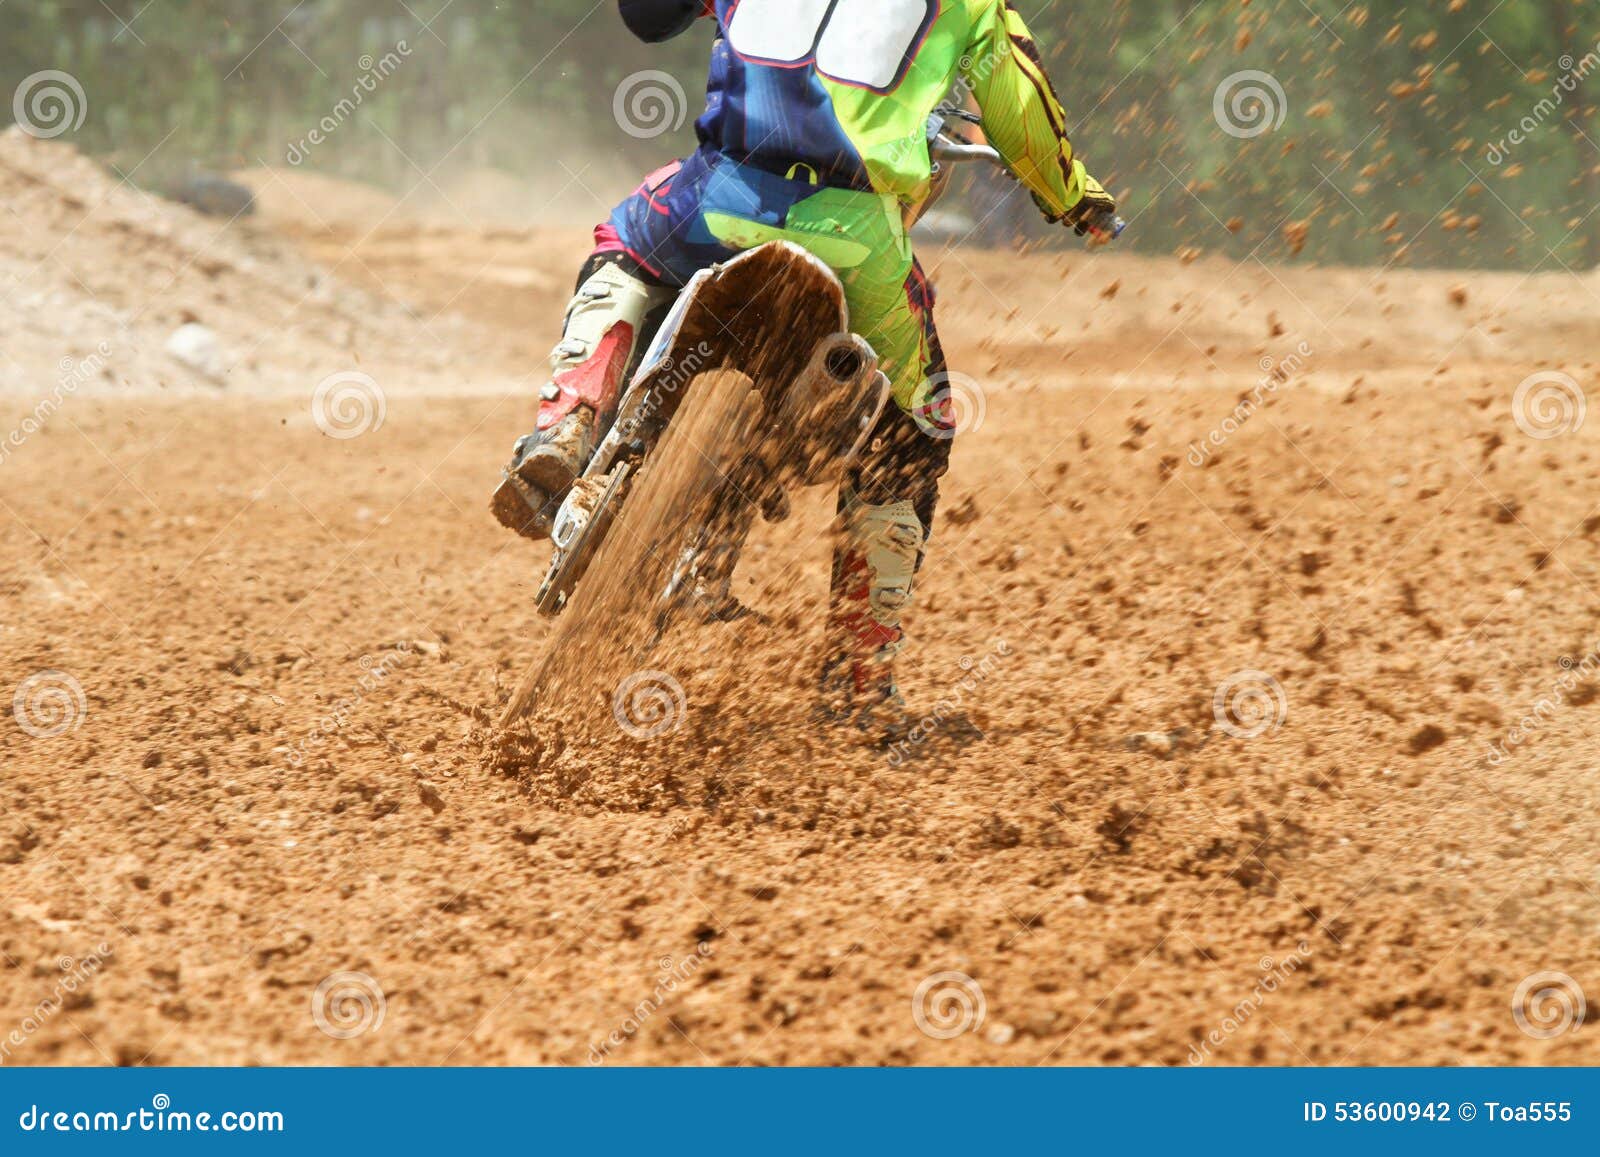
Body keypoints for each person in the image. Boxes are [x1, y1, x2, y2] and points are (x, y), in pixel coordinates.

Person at [492, 0, 1119, 734]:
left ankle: (564, 426)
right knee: (917, 430)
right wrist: (1075, 199)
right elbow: (1024, 117)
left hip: (721, 200)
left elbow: (649, 17)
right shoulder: (975, 8)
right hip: (859, 234)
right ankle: (859, 687)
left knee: (624, 246)